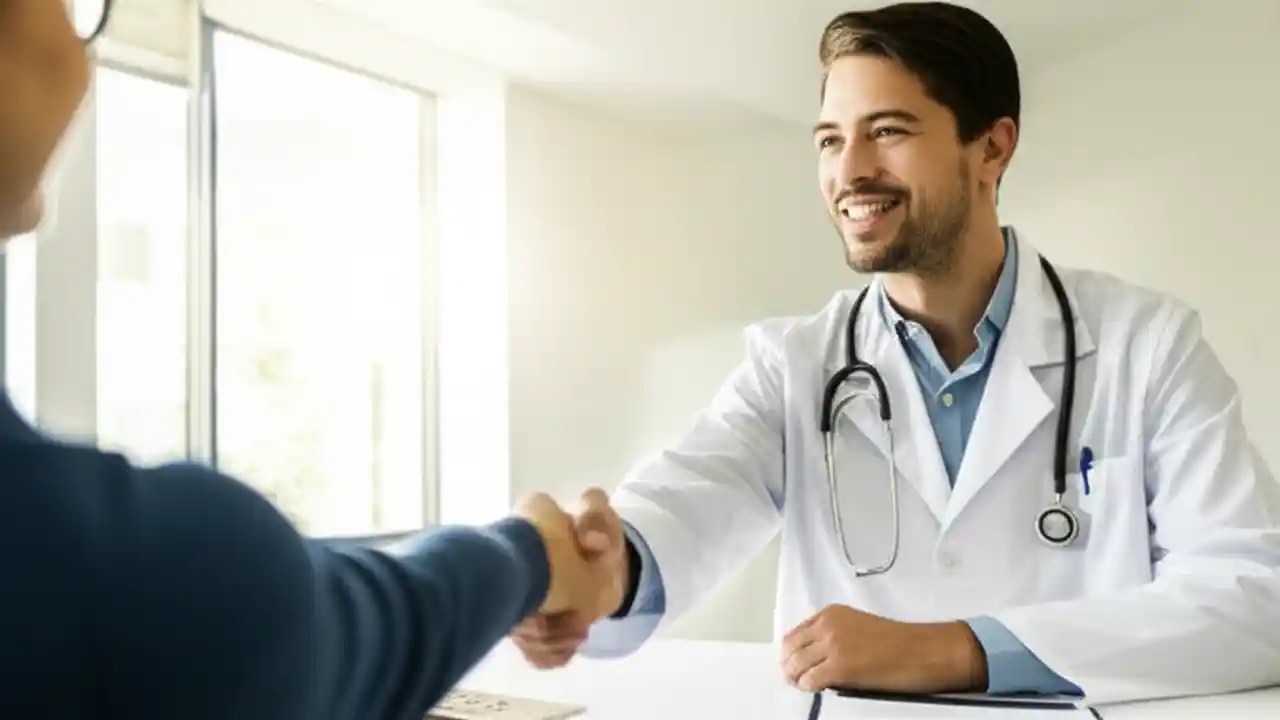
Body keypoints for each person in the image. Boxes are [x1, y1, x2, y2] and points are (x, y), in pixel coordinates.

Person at [511, 1, 1280, 706]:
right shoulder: (795, 363)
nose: (849, 172)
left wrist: (952, 649)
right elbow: (688, 502)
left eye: (888, 131)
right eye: (830, 140)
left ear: (992, 148)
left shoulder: (1146, 344)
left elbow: (1254, 597)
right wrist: (606, 573)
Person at [0, 2, 622, 718]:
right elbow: (348, 621)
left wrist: (536, 557)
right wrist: (533, 554)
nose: (81, 52)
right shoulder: (147, 576)